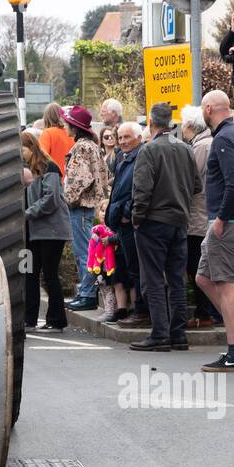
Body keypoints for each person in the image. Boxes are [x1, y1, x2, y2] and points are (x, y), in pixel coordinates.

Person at [128, 102, 200, 351]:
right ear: (170, 122)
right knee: (177, 278)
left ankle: (160, 333)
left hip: (153, 221)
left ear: (151, 123)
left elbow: (142, 190)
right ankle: (178, 334)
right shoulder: (186, 148)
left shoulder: (149, 150)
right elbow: (197, 186)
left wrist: (137, 218)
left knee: (154, 278)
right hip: (179, 221)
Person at [195, 90, 234, 371]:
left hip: (228, 222)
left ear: (209, 108)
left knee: (224, 284)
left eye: (202, 108)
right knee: (203, 278)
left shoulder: (223, 138)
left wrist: (221, 218)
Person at [60, 106, 110, 313]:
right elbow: (105, 174)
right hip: (88, 206)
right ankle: (86, 293)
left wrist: (68, 198)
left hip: (80, 207)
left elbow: (80, 178)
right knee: (88, 251)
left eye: (66, 123)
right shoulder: (92, 146)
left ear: (74, 126)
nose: (64, 126)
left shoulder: (81, 147)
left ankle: (87, 294)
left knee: (83, 253)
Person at [179, 106, 223, 329]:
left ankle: (207, 313)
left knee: (198, 267)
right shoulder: (208, 143)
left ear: (189, 125)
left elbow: (190, 180)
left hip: (198, 216)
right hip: (205, 213)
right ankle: (211, 312)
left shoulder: (200, 147)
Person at [21, 131, 69, 333]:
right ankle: (29, 319)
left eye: (22, 149)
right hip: (34, 231)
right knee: (30, 274)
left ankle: (57, 320)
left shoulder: (49, 167)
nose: (21, 154)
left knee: (49, 275)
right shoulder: (29, 169)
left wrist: (27, 213)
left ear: (31, 147)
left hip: (51, 231)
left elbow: (51, 199)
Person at [105, 121, 145, 325]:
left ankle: (141, 311)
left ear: (139, 138)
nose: (122, 141)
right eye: (120, 137)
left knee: (137, 269)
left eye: (127, 137)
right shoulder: (122, 157)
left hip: (131, 222)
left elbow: (140, 190)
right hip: (121, 222)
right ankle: (136, 310)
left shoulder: (141, 157)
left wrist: (127, 214)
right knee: (131, 268)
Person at [37, 103, 74, 179]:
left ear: (46, 117)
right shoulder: (71, 133)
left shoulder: (47, 133)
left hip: (54, 179)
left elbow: (41, 157)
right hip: (71, 178)